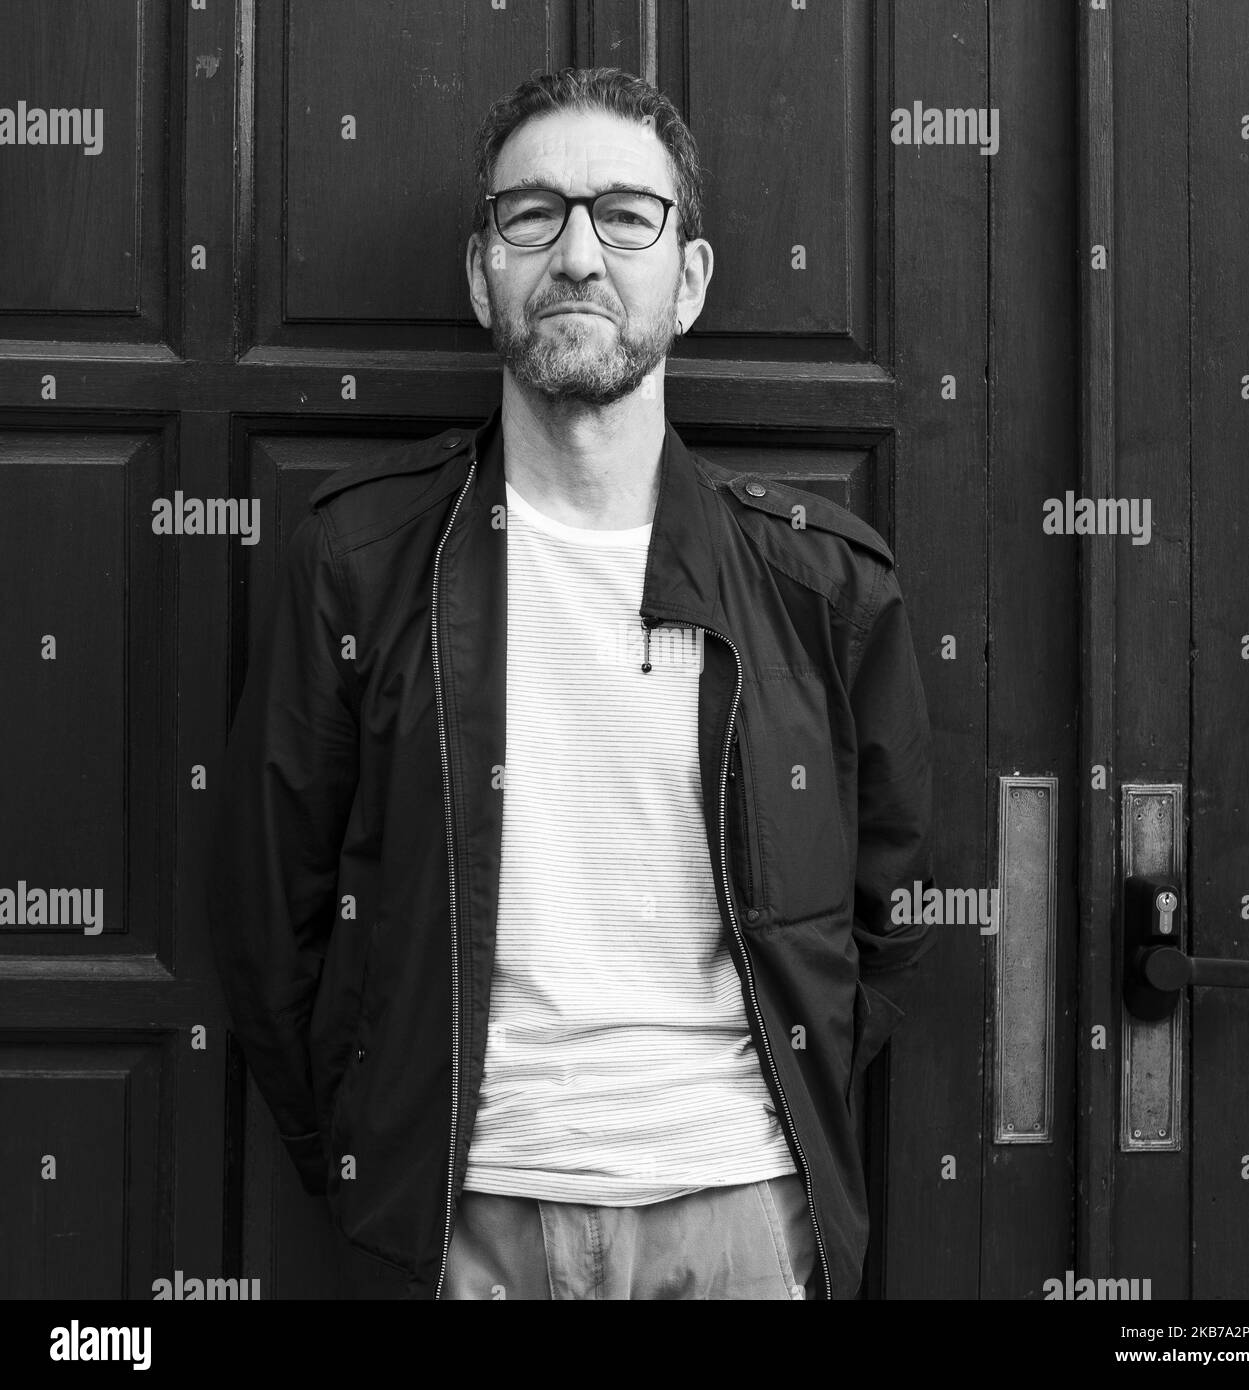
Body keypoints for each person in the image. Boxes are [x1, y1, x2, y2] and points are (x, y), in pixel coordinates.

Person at [206, 65, 935, 1302]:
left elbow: (888, 913)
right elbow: (267, 908)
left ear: (687, 279)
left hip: (740, 1210)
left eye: (625, 215)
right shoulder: (359, 564)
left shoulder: (822, 586)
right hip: (462, 1218)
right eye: (532, 214)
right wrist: (366, 1147)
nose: (579, 255)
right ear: (480, 268)